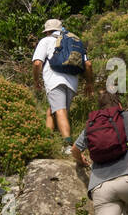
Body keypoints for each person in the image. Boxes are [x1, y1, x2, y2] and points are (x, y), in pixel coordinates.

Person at [32, 18, 92, 151]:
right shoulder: (74, 41)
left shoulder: (46, 41)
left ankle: (68, 145)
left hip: (54, 80)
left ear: (47, 31)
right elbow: (88, 64)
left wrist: (36, 81)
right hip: (72, 81)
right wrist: (89, 83)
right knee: (53, 109)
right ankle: (48, 139)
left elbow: (37, 63)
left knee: (59, 110)